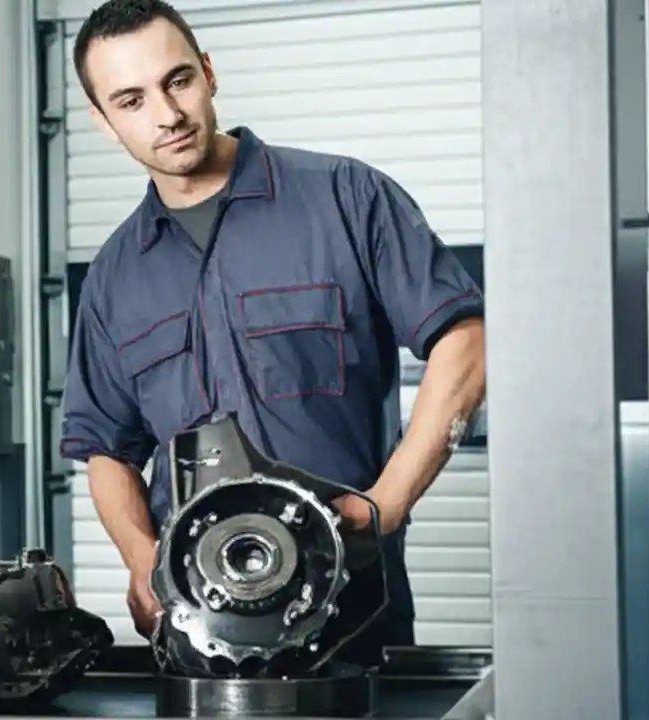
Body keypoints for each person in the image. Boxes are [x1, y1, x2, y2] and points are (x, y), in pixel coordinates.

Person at [59, 0, 487, 660]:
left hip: (349, 615)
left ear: (208, 73)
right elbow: (106, 449)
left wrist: (386, 505)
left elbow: (465, 342)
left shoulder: (347, 197)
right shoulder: (114, 277)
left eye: (178, 81)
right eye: (132, 100)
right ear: (103, 119)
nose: (167, 115)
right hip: (197, 632)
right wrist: (143, 561)